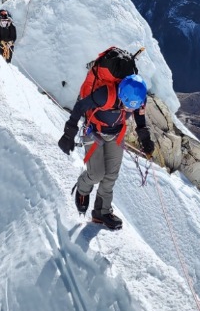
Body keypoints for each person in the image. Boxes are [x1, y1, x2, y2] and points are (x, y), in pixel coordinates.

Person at [57, 73, 153, 230]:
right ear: (121, 95)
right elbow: (81, 106)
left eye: (132, 107)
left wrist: (146, 139)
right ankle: (82, 188)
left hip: (116, 133)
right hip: (93, 131)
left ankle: (102, 212)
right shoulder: (105, 94)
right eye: (127, 106)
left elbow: (140, 119)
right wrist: (69, 133)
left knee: (111, 175)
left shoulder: (139, 98)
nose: (129, 109)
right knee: (96, 174)